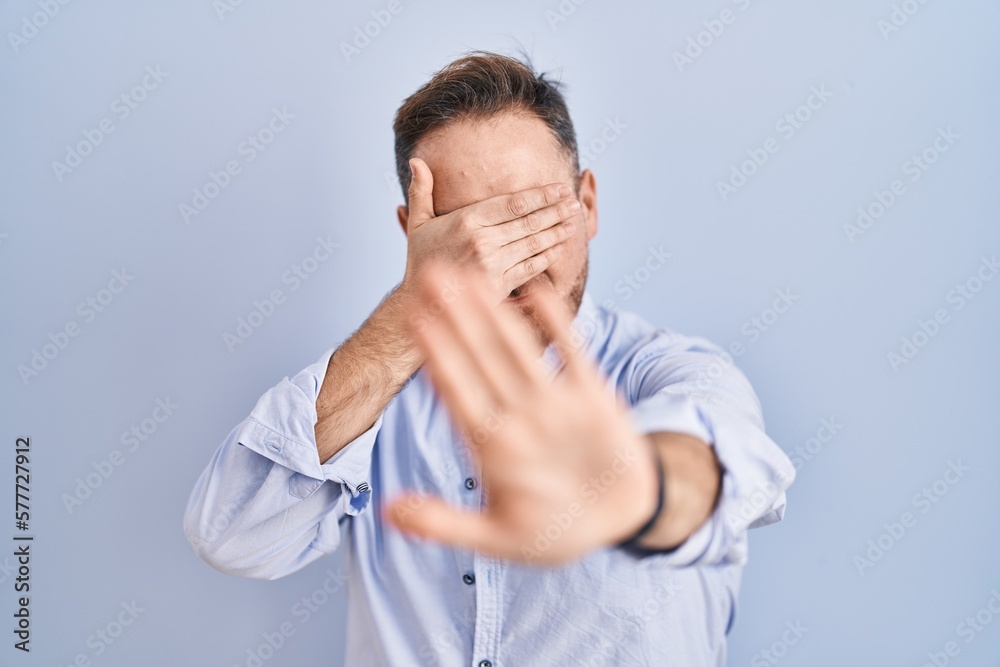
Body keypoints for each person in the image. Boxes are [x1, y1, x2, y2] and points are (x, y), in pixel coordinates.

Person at [183, 50, 795, 666]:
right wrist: (408, 314)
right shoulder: (374, 399)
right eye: (464, 232)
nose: (508, 261)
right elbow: (233, 536)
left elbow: (715, 460)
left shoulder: (669, 371)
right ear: (414, 236)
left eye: (534, 214)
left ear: (587, 204)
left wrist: (645, 496)